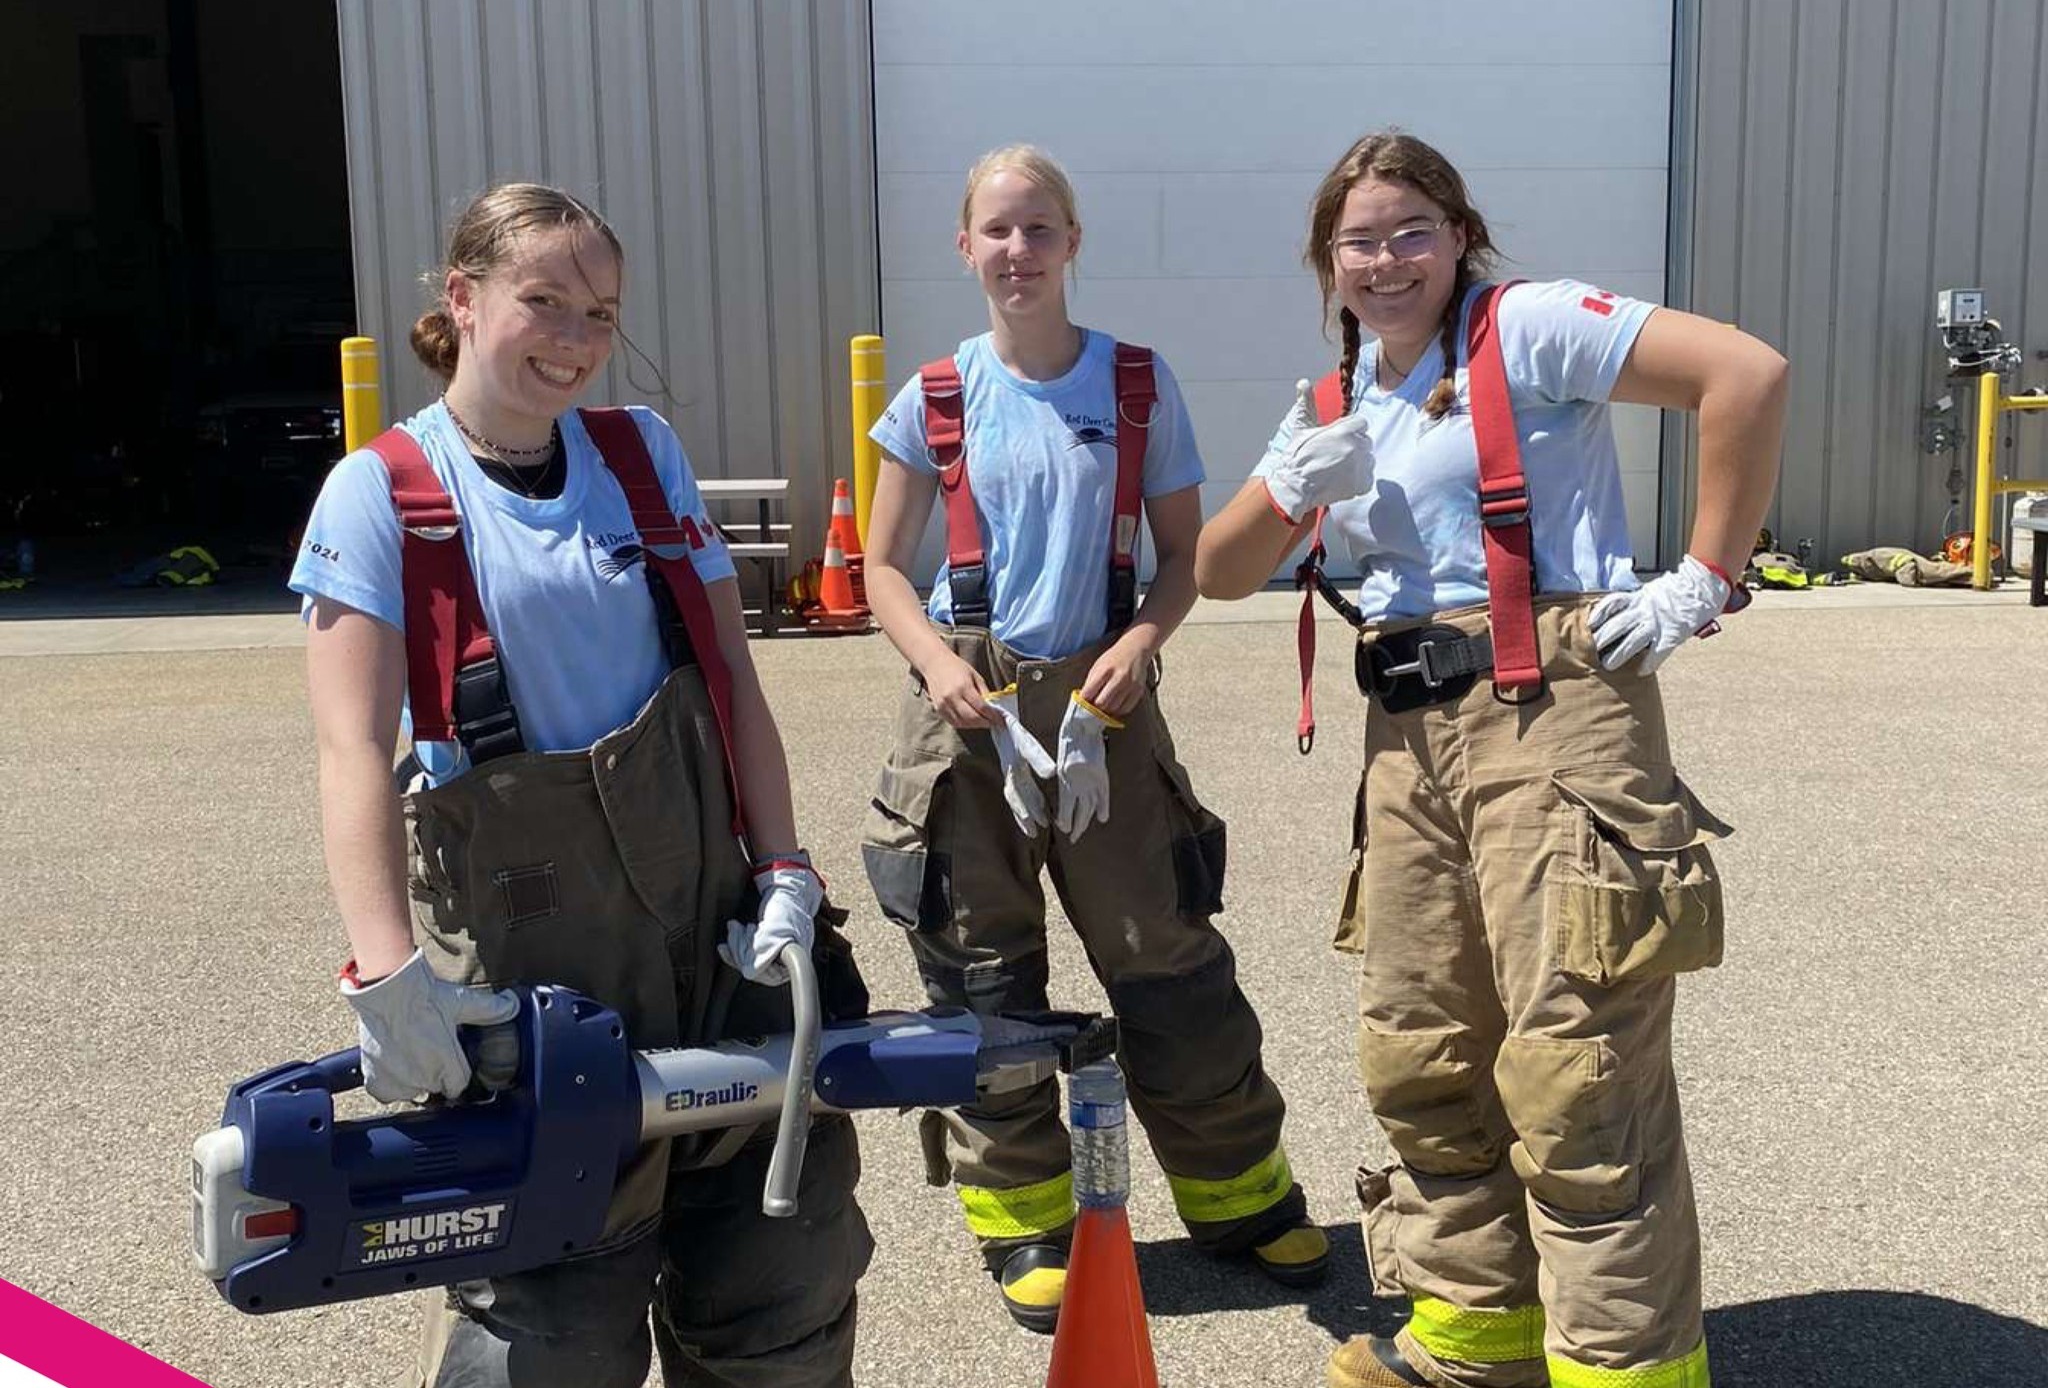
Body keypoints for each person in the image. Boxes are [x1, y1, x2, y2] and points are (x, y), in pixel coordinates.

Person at [1193, 131, 1787, 1388]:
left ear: (1458, 234)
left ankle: (1620, 1369)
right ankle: (1475, 1343)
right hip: (1406, 742)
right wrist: (1293, 485)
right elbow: (1217, 573)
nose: (1386, 257)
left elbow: (1743, 374)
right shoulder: (1335, 396)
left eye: (1411, 228)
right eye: (1359, 238)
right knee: (1421, 1048)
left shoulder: (1523, 327)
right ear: (1328, 263)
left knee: (1576, 1070)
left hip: (1555, 717)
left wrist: (1701, 579)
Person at [289, 183, 873, 1388]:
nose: (572, 340)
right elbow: (350, 748)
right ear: (461, 298)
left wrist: (784, 872)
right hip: (531, 969)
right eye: (541, 301)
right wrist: (390, 979)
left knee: (781, 1286)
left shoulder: (640, 458)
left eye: (598, 313)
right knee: (548, 1323)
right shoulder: (382, 493)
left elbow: (732, 688)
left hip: (722, 948)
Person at [856, 144, 1326, 1334]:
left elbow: (1179, 560)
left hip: (1106, 712)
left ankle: (1239, 1197)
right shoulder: (933, 399)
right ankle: (1025, 1226)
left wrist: (1139, 643)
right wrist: (933, 666)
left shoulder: (1132, 386)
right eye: (996, 232)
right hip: (966, 719)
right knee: (983, 978)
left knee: (1166, 960)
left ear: (1072, 243)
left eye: (1039, 229)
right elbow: (878, 569)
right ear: (963, 248)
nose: (1018, 252)